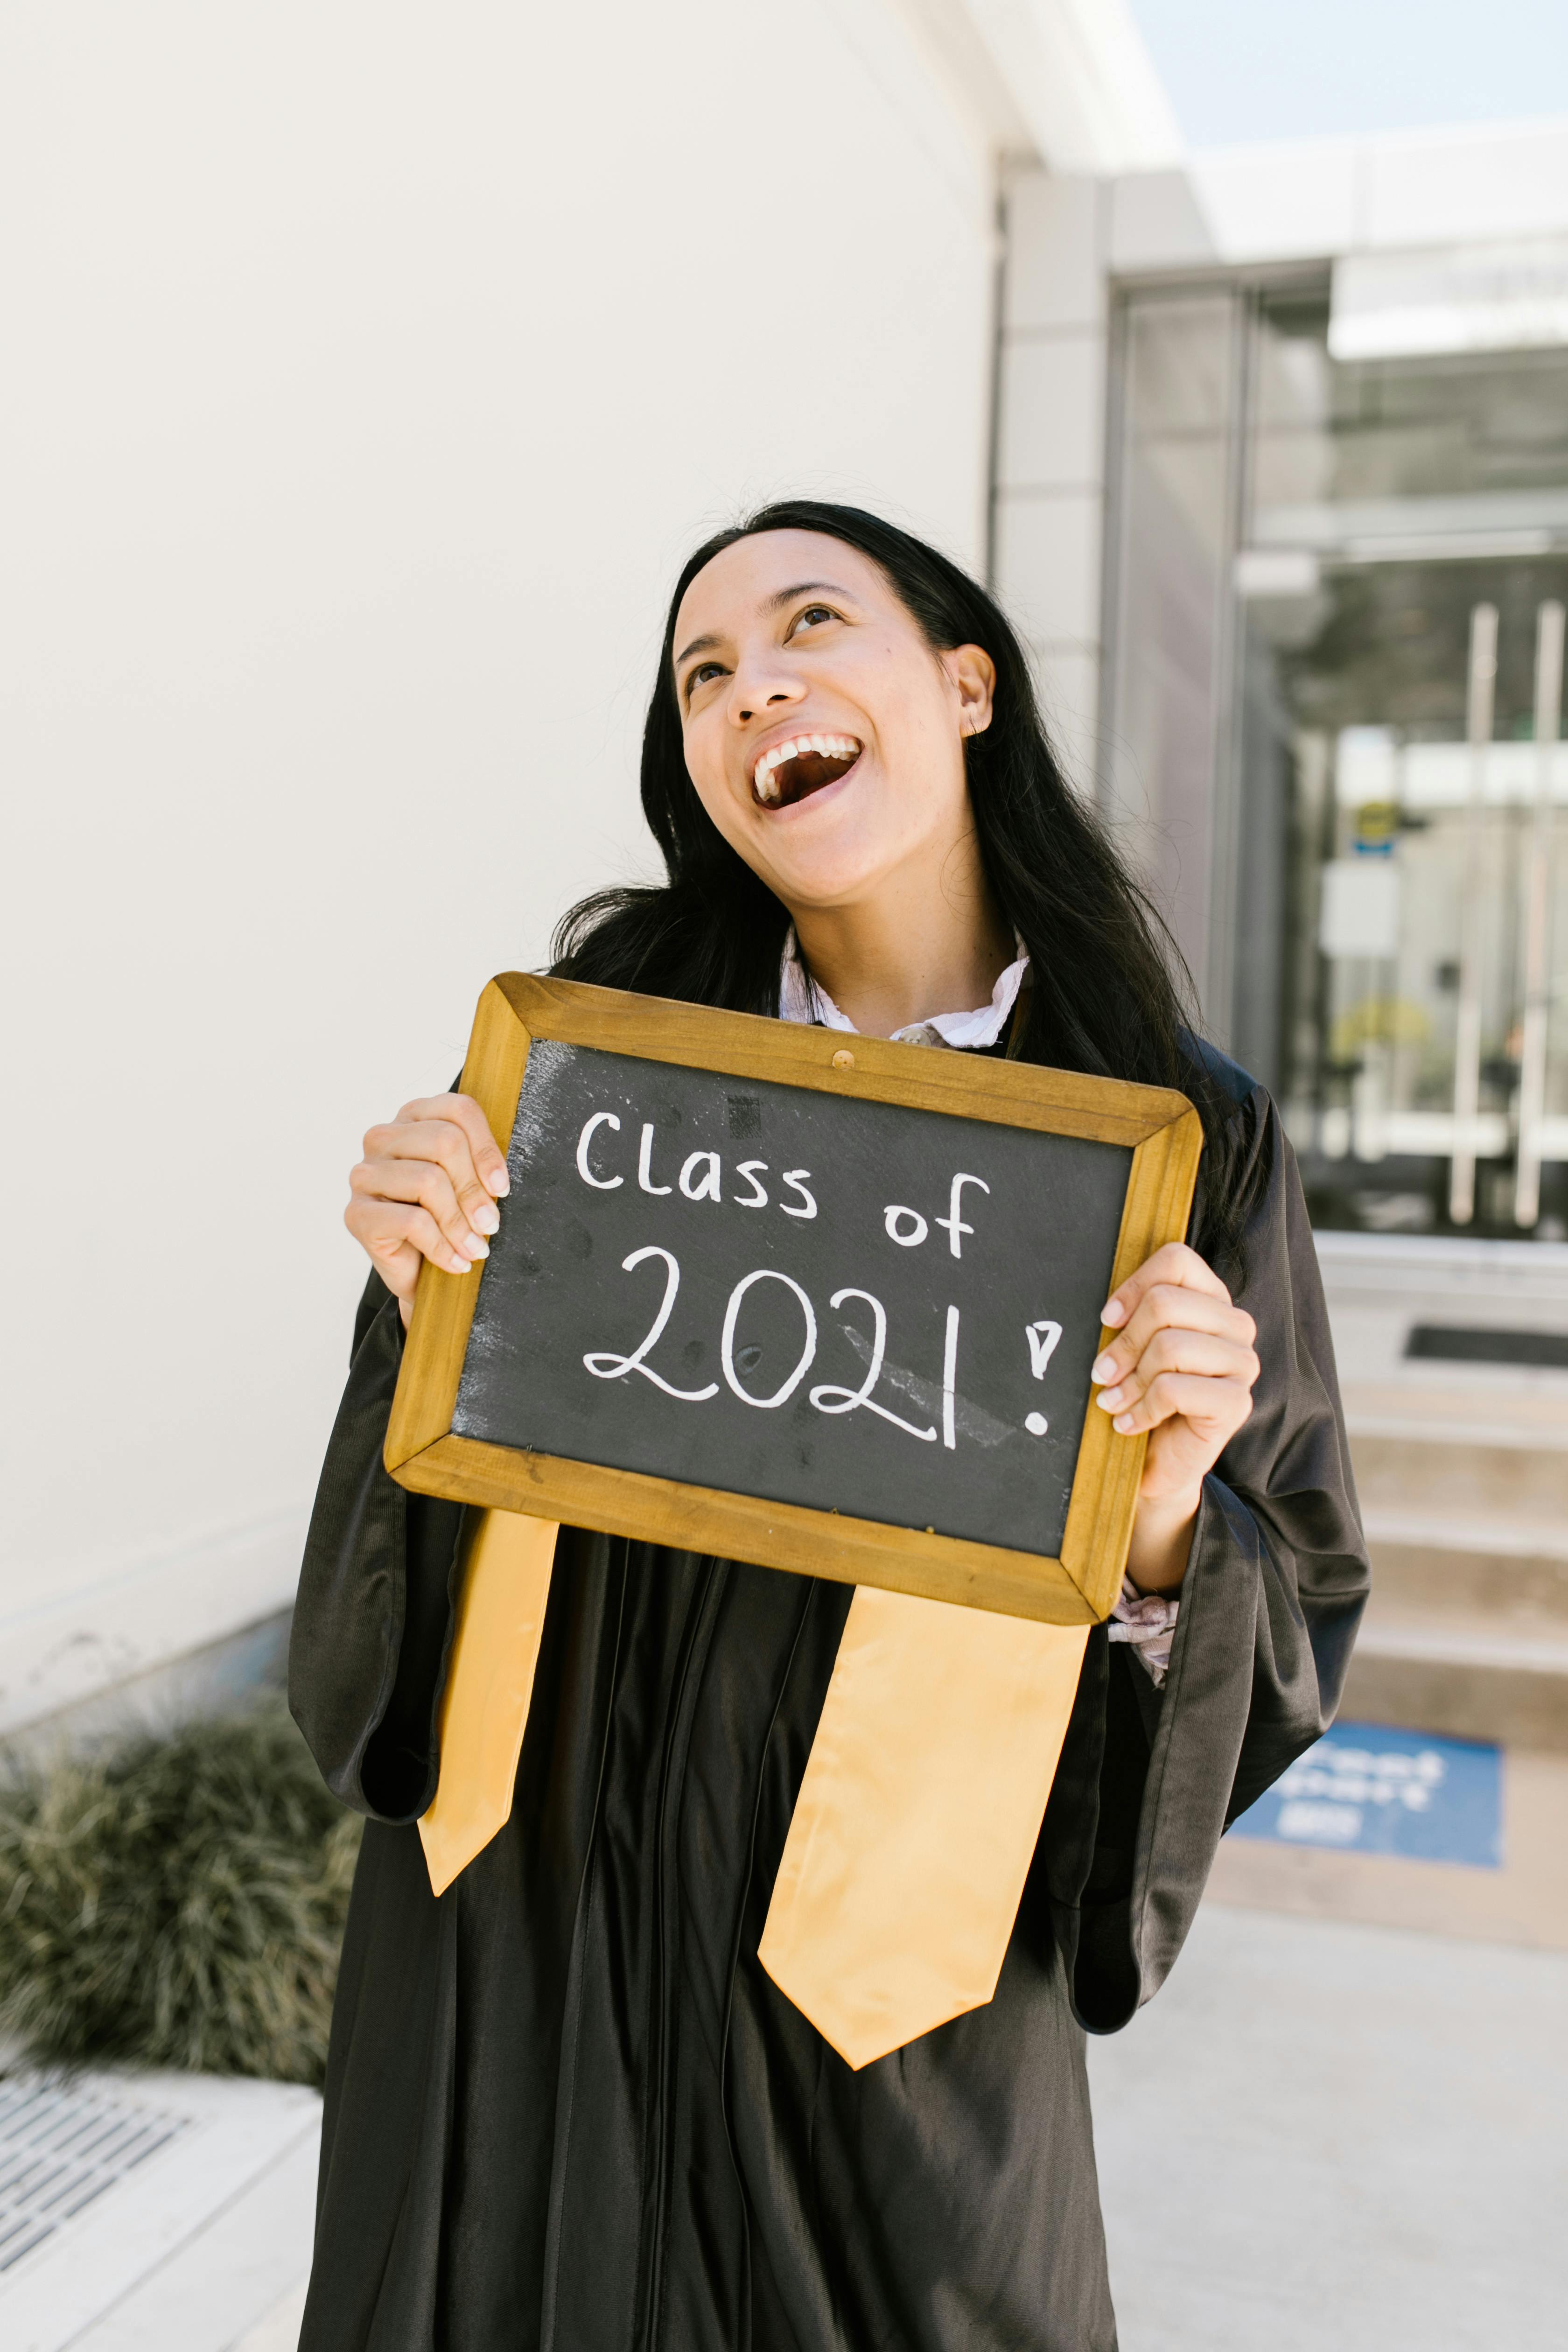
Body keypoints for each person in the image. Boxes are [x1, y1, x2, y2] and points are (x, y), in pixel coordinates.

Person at [291, 500, 1369, 2351]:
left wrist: (1173, 1509)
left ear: (965, 685)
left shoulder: (1163, 1139)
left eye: (807, 625)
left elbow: (1282, 1603)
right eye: (704, 674)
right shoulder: (602, 1057)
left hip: (889, 2035)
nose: (752, 686)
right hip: (531, 1957)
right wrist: (421, 1293)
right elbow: (442, 1472)